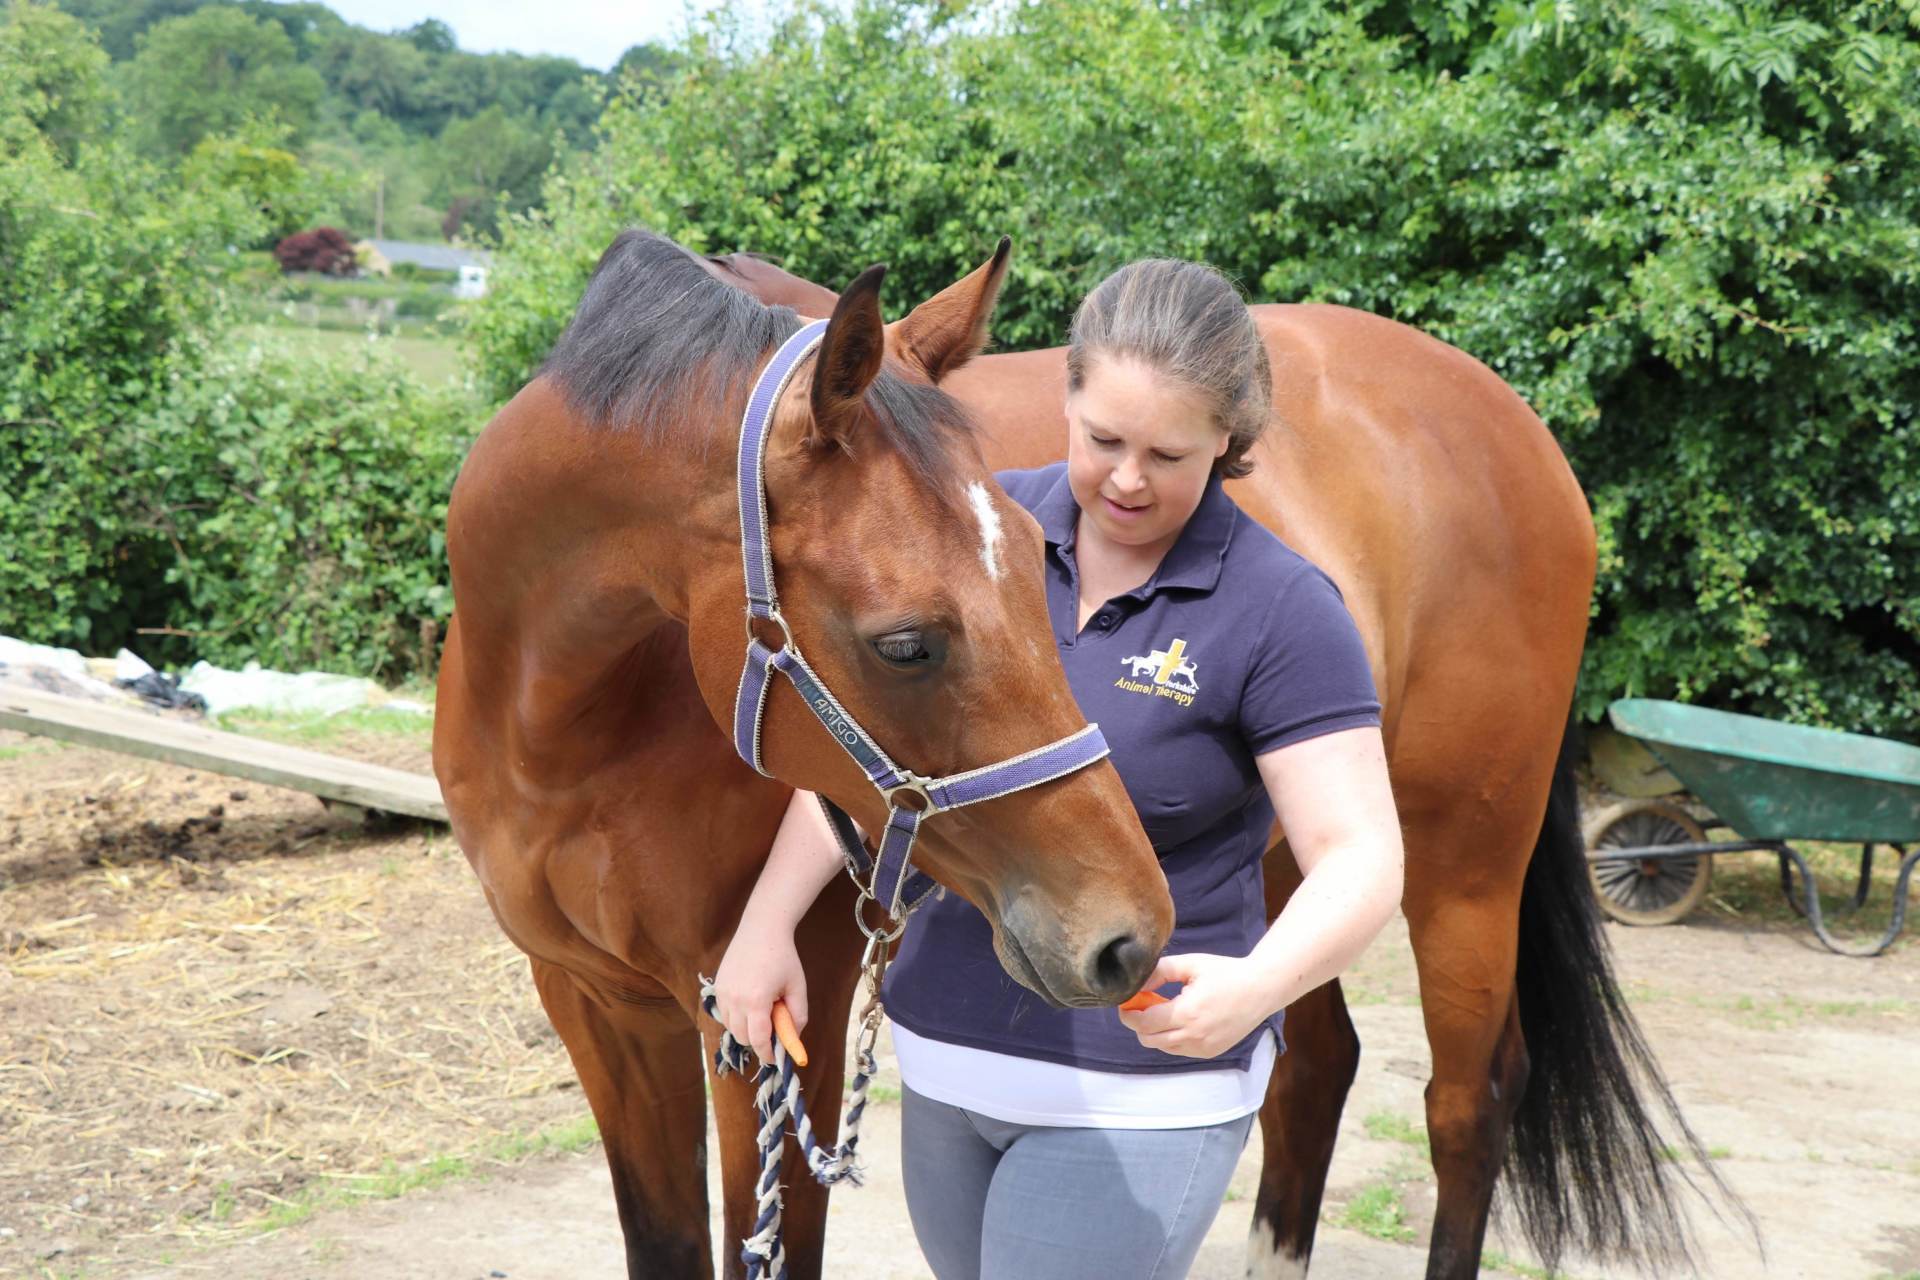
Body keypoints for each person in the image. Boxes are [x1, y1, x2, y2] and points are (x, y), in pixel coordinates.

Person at [713, 258, 1404, 1279]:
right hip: (947, 1070)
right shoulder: (985, 532)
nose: (1127, 478)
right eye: (1103, 438)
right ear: (1065, 399)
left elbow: (1359, 854)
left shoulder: (1279, 606)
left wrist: (1261, 985)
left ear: (1230, 436)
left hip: (1143, 1088)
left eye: (1168, 453)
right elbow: (885, 762)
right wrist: (765, 925)